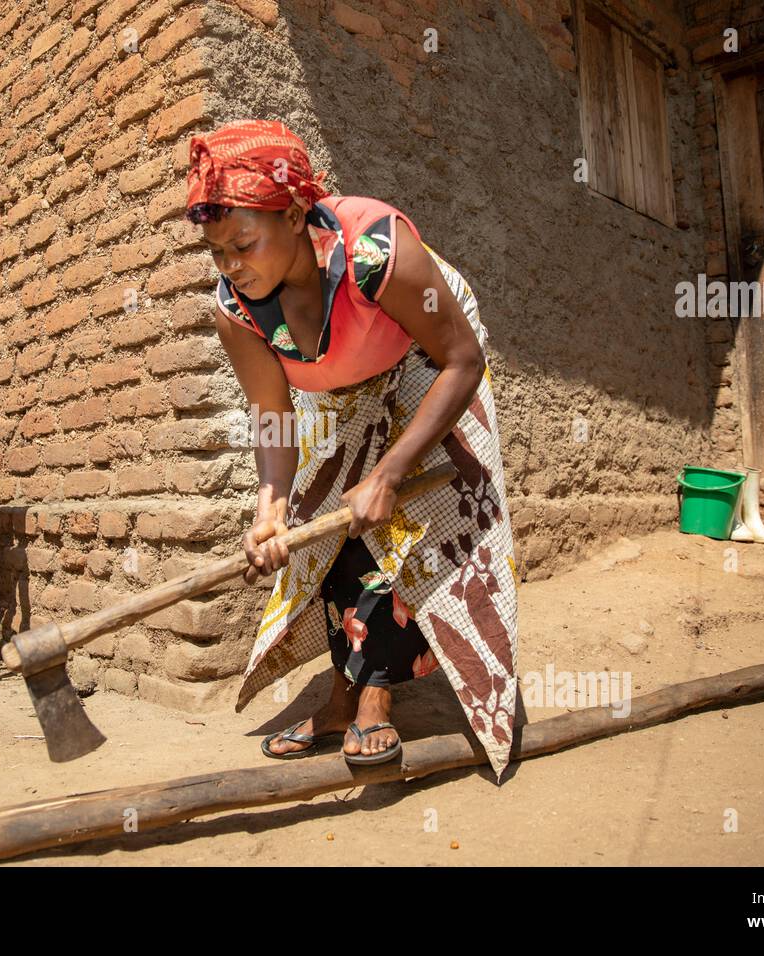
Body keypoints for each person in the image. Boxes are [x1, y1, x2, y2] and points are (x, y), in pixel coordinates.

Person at [185, 119, 518, 778]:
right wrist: (269, 511)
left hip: (429, 357)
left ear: (295, 213)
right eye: (217, 252)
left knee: (404, 520)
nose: (231, 266)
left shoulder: (377, 252)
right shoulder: (237, 307)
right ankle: (343, 692)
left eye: (244, 244)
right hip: (344, 379)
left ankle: (374, 696)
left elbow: (462, 359)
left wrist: (393, 470)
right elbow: (273, 414)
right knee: (325, 525)